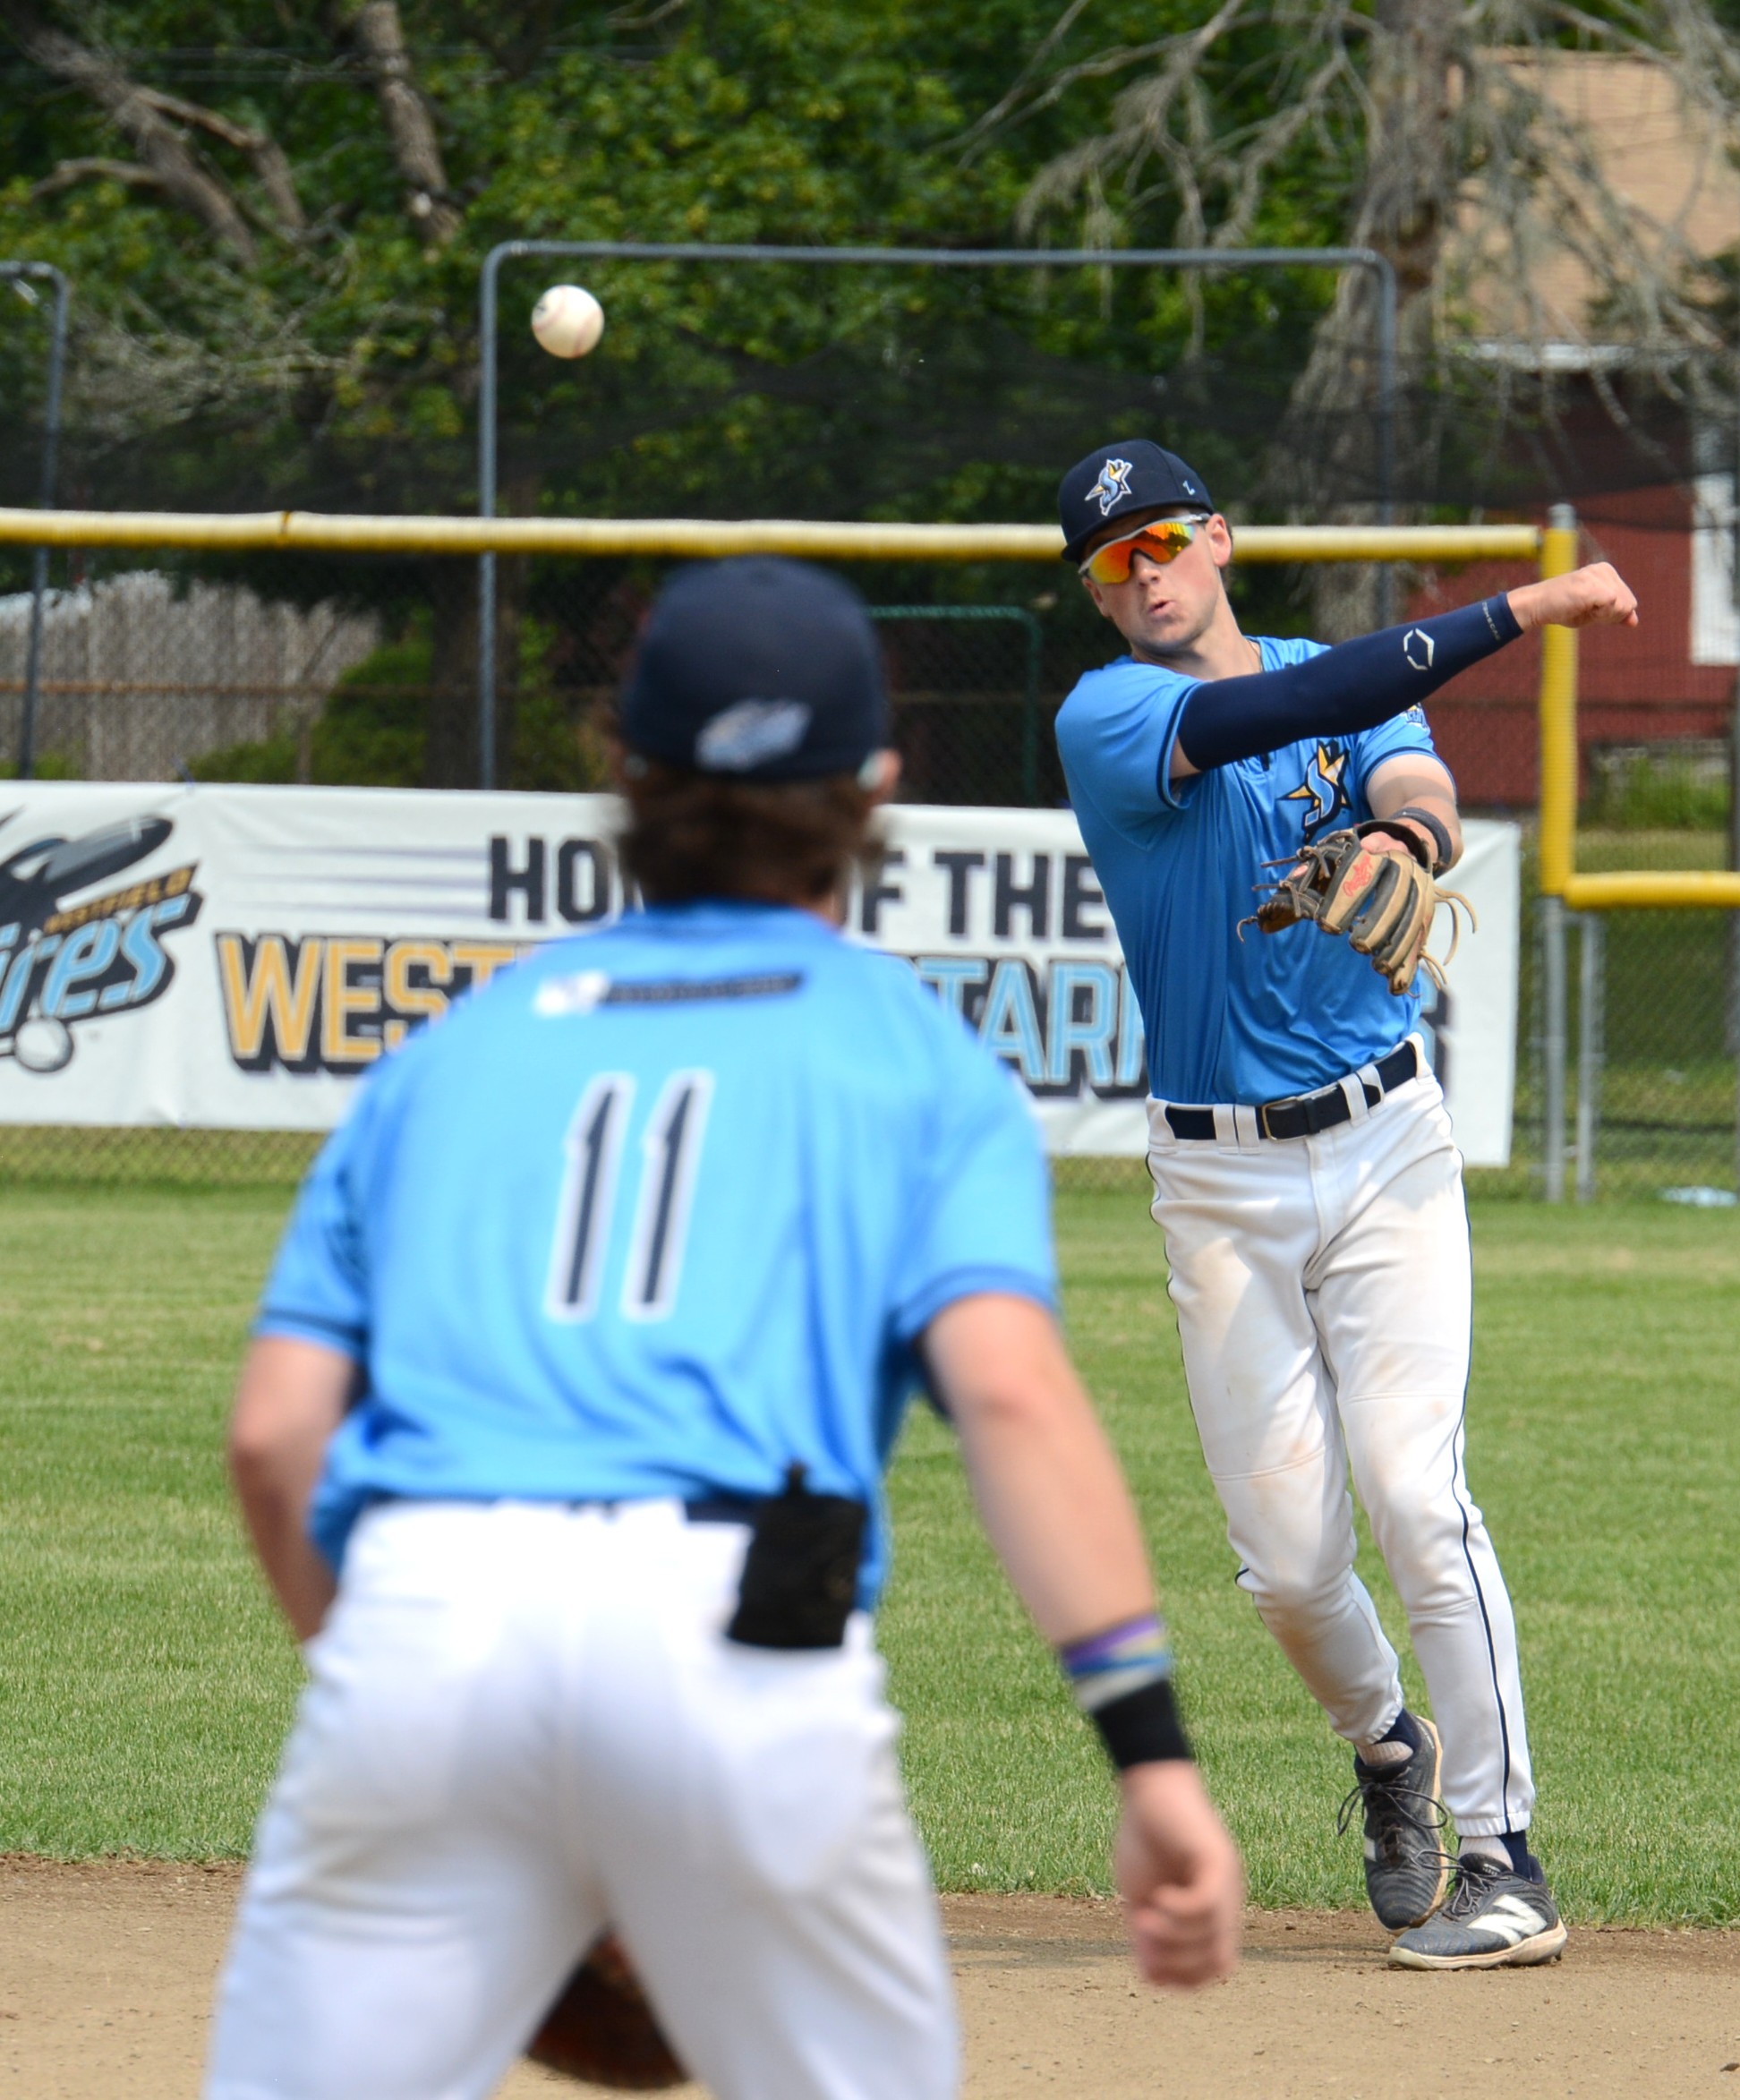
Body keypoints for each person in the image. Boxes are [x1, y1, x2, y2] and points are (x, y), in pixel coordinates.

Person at [205, 555, 1243, 2100]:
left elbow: (274, 1436)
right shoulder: (911, 1051)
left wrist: (392, 1684)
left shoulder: (454, 1049)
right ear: (877, 786)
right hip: (741, 1649)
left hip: (426, 1614)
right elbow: (1012, 1398)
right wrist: (1148, 1750)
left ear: (625, 772)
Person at [1052, 440, 1637, 1972]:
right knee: (1291, 1566)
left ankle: (1508, 1858)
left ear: (1220, 538)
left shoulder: (1341, 671)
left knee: (1416, 1494)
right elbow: (1287, 711)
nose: (1146, 573)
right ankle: (1391, 1749)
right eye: (1113, 562)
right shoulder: (1112, 715)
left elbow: (1410, 770)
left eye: (1164, 539)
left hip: (1385, 1146)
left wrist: (1408, 838)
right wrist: (1529, 605)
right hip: (1219, 1182)